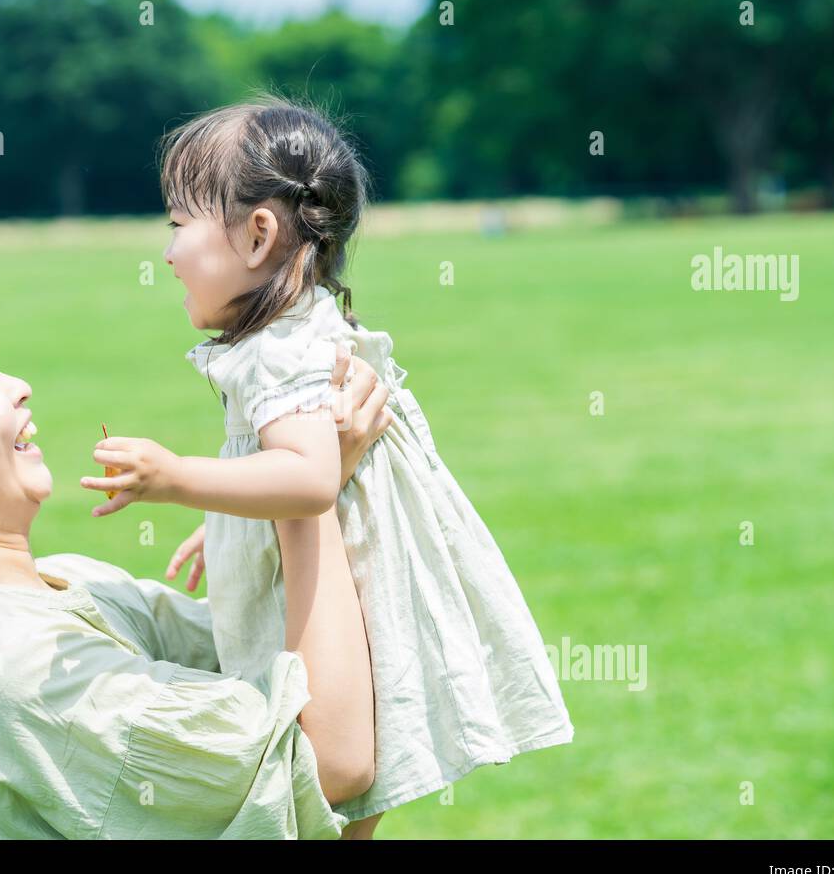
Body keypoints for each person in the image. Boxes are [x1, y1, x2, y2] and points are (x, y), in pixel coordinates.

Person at [78, 95, 575, 836]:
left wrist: (173, 478)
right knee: (333, 813)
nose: (167, 251)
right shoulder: (296, 329)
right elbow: (302, 472)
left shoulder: (280, 351)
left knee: (323, 793)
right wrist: (227, 523)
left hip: (347, 598)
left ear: (257, 235)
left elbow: (309, 480)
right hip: (354, 582)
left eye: (180, 223)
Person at [0, 295, 391, 839]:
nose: (18, 385)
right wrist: (307, 494)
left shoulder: (67, 582)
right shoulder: (13, 665)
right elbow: (330, 762)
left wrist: (259, 516)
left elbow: (271, 658)